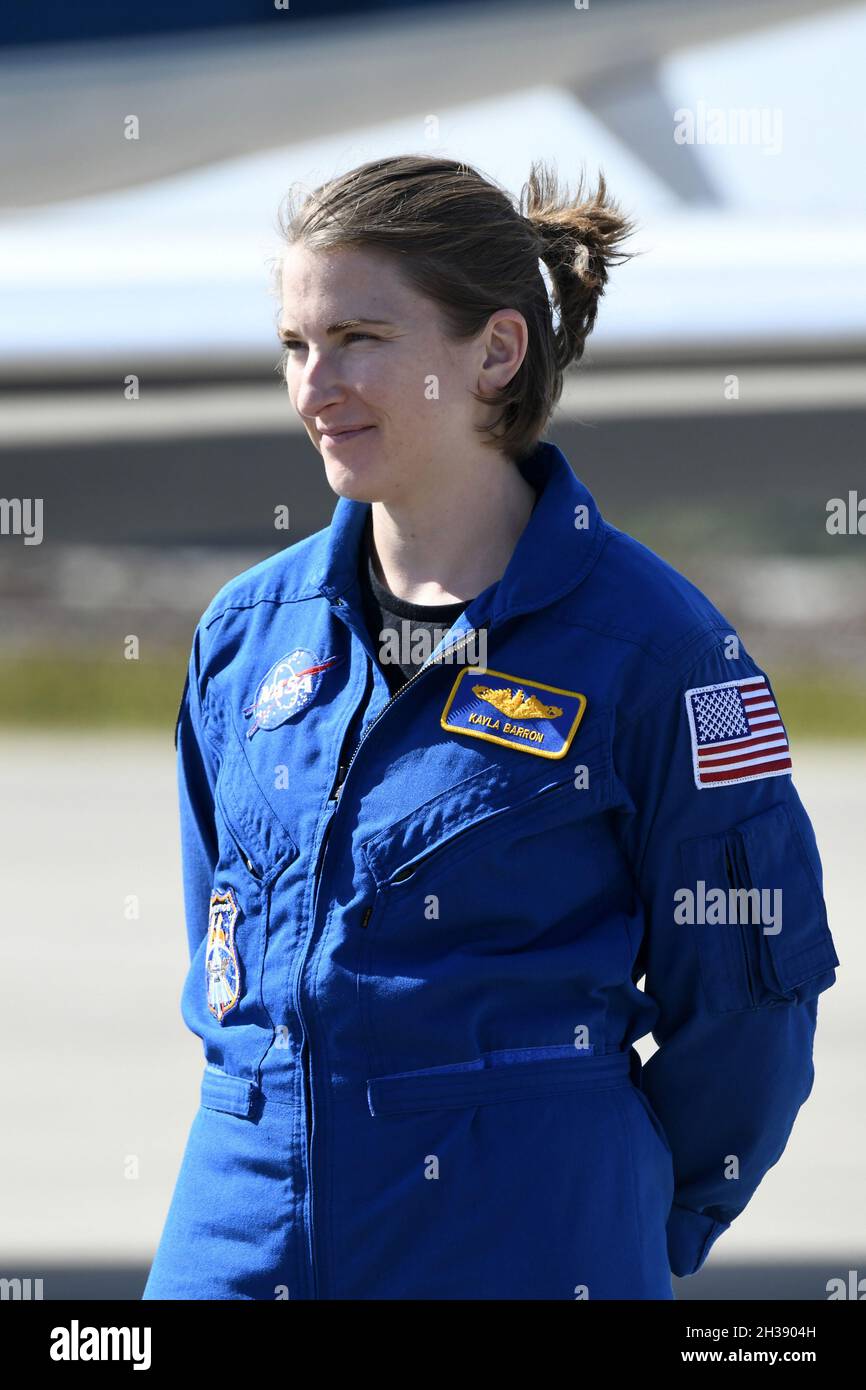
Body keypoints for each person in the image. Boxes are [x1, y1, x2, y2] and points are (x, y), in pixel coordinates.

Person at [142, 154, 840, 1301]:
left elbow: (746, 1014)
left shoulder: (661, 656)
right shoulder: (244, 638)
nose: (315, 384)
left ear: (496, 352)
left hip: (520, 1244)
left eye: (360, 337)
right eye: (294, 345)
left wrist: (603, 1206)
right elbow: (230, 974)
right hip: (240, 1234)